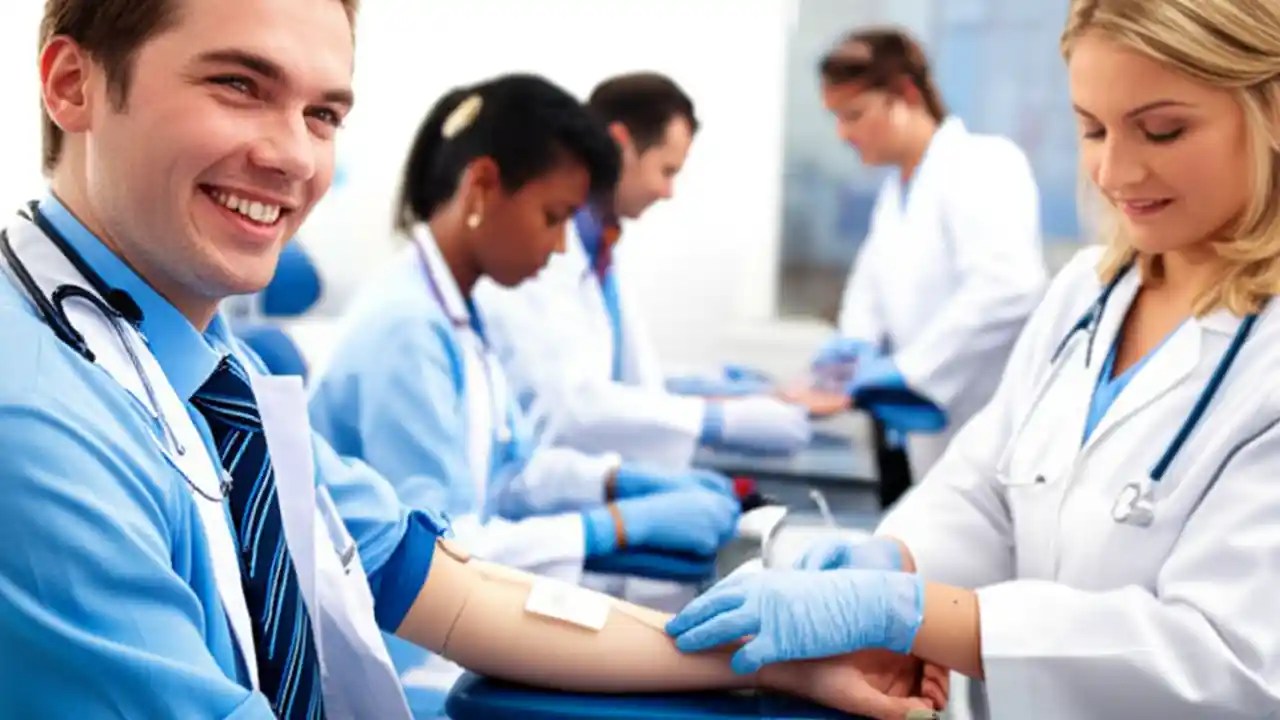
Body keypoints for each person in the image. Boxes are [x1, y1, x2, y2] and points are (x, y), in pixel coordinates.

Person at [0, 0, 944, 718]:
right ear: (72, 85)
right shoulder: (35, 421)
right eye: (238, 85)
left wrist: (766, 659)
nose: (294, 156)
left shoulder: (206, 367)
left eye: (323, 114)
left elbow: (450, 588)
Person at [666, 1, 1280, 717]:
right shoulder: (1088, 293)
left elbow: (1233, 660)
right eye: (1091, 129)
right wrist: (899, 561)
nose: (1113, 171)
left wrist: (917, 615)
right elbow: (986, 487)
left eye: (1163, 130)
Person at [308, 74, 743, 714]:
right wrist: (609, 528)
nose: (561, 244)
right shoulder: (406, 332)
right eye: (553, 217)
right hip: (393, 656)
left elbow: (514, 467)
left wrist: (618, 483)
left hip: (443, 621)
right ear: (482, 186)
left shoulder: (460, 314)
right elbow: (445, 551)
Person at [474, 73, 811, 470]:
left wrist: (696, 386)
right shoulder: (538, 255)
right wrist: (712, 419)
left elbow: (610, 378)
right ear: (620, 144)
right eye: (666, 171)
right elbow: (566, 406)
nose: (668, 192)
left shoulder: (600, 246)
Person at [807, 28, 1047, 491]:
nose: (843, 133)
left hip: (981, 426)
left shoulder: (983, 163)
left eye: (854, 115)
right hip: (915, 432)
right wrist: (853, 345)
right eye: (836, 118)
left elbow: (1009, 289)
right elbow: (871, 286)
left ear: (907, 94)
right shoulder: (895, 192)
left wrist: (910, 370)